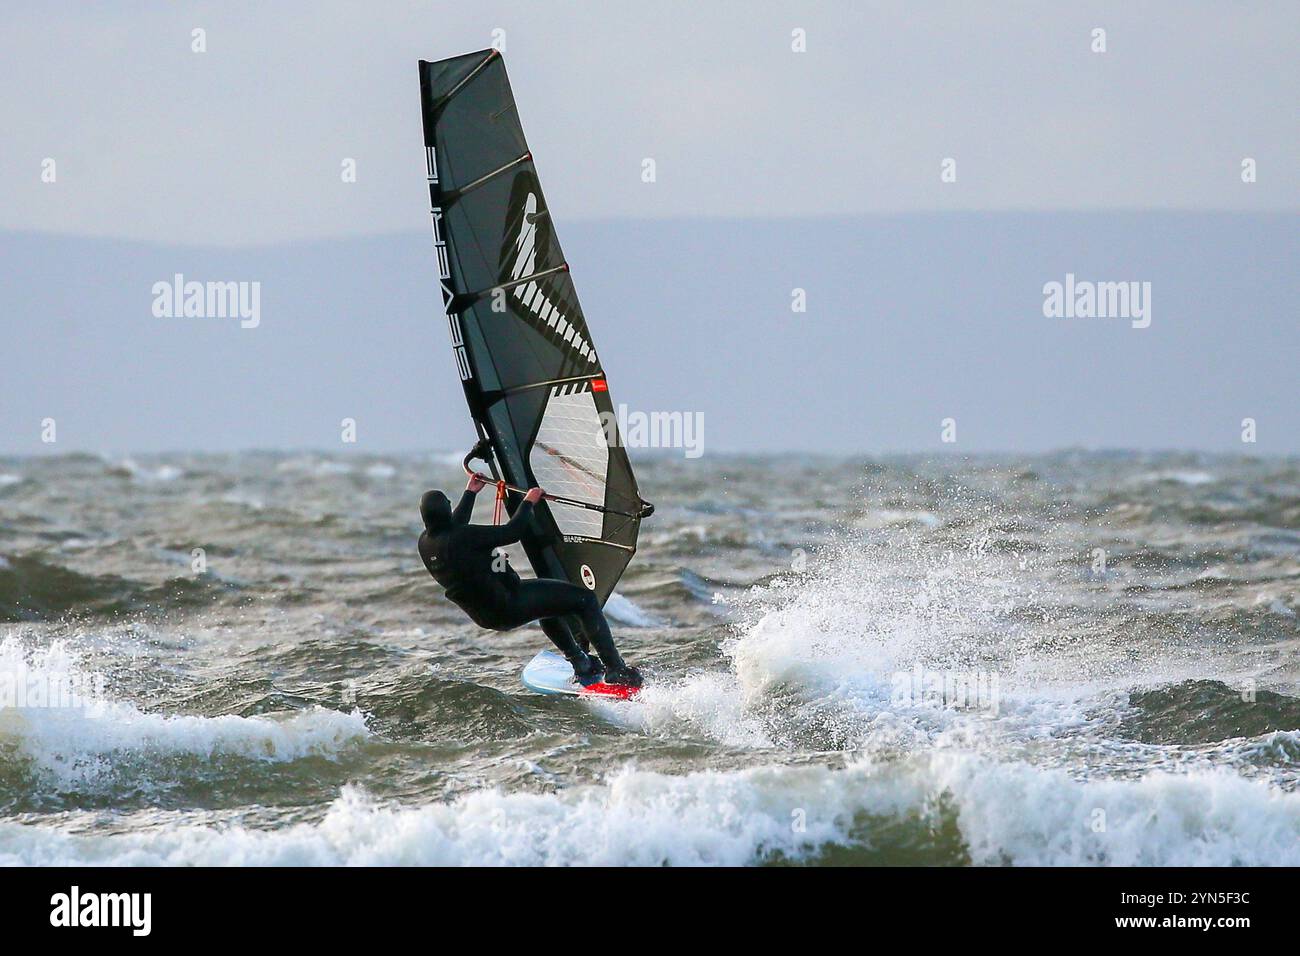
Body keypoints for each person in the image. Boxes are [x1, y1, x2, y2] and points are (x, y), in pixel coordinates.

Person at [418, 475, 642, 687]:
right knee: (585, 599)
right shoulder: (462, 537)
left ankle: (581, 662)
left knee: (547, 606)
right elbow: (511, 532)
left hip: (485, 614)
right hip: (510, 601)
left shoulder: (426, 544)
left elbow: (451, 526)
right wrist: (528, 502)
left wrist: (470, 493)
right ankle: (615, 669)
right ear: (446, 510)